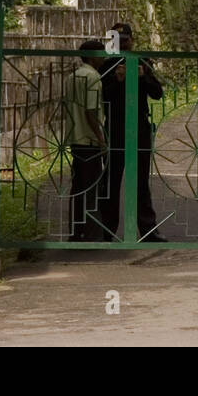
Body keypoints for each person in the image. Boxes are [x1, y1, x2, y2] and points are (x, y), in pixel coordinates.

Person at [99, 22, 167, 242]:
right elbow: (103, 97)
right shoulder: (107, 66)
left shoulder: (143, 63)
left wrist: (142, 77)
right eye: (117, 41)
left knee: (140, 182)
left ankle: (147, 230)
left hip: (139, 128)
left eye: (125, 40)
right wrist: (119, 81)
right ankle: (106, 229)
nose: (122, 45)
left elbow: (157, 93)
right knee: (111, 180)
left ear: (132, 41)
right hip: (116, 129)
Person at [64, 39, 107, 242]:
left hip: (75, 136)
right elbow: (91, 111)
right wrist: (101, 138)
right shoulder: (93, 78)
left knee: (78, 187)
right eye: (101, 54)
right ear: (92, 56)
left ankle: (76, 230)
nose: (105, 57)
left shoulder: (72, 77)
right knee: (91, 188)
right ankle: (91, 233)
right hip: (89, 140)